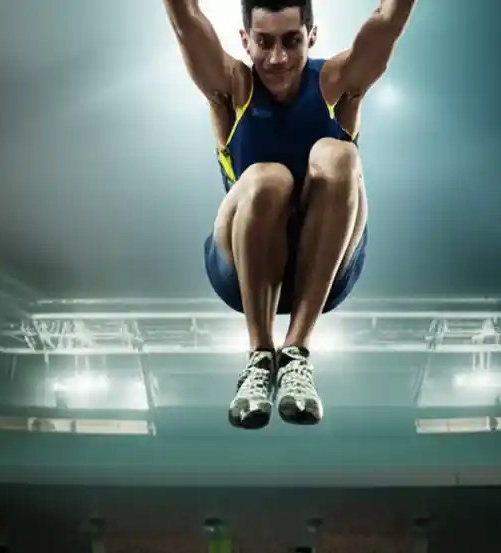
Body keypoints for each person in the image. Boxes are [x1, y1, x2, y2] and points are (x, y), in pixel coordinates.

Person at [163, 0, 417, 429]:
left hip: (323, 272)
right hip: (242, 269)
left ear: (311, 37)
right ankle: (260, 358)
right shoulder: (231, 89)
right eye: (263, 43)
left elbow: (387, 22)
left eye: (291, 41)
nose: (277, 59)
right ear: (244, 41)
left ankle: (296, 353)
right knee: (269, 179)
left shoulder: (336, 84)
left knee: (338, 155)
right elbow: (187, 22)